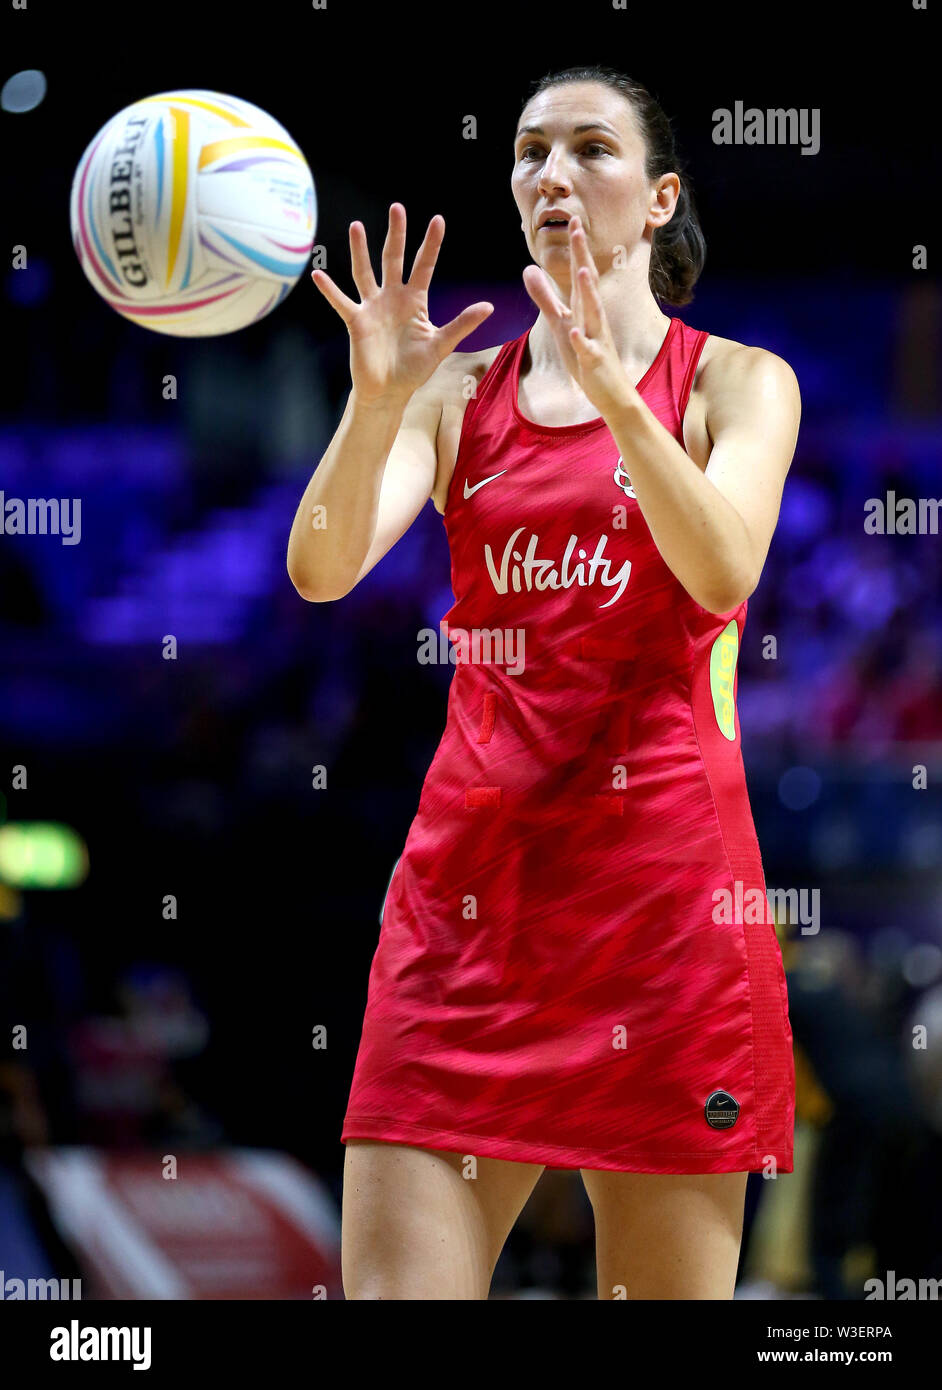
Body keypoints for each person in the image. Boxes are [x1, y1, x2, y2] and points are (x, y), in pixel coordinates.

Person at [288, 64, 801, 1300]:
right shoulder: (459, 390)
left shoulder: (739, 382)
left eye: (589, 149)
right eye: (528, 152)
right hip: (465, 923)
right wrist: (373, 406)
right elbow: (322, 564)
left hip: (666, 925)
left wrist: (622, 400)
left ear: (660, 196)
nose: (551, 175)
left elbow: (722, 567)